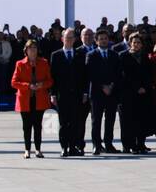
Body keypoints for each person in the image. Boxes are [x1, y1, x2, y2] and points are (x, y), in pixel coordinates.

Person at [49, 28, 88, 157]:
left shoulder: (80, 54)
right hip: (62, 94)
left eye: (72, 38)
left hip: (77, 94)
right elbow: (52, 77)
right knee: (63, 122)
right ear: (62, 39)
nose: (69, 40)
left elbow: (83, 76)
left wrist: (84, 93)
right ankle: (64, 147)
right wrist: (53, 94)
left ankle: (73, 146)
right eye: (67, 37)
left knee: (75, 122)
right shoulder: (56, 55)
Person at [11, 39, 52, 158]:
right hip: (25, 99)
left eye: (34, 48)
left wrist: (41, 85)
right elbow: (14, 82)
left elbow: (50, 81)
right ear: (26, 51)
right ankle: (27, 149)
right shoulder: (20, 64)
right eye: (30, 48)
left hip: (39, 99)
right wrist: (27, 86)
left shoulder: (44, 63)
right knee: (26, 126)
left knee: (38, 125)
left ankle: (38, 149)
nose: (33, 51)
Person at [118, 33, 154, 154]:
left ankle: (140, 144)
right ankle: (128, 145)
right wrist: (136, 87)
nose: (136, 45)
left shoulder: (145, 57)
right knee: (127, 121)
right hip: (128, 93)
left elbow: (149, 74)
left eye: (138, 42)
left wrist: (144, 87)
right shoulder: (123, 56)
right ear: (130, 43)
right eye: (134, 42)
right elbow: (123, 75)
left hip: (143, 94)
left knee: (141, 119)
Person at [86, 30, 120, 154]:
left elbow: (117, 73)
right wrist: (102, 86)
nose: (103, 40)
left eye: (105, 38)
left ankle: (109, 144)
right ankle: (97, 145)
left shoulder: (114, 55)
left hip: (111, 92)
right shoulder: (91, 55)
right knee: (96, 120)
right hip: (97, 92)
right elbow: (91, 74)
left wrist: (110, 86)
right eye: (101, 39)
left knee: (110, 119)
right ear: (96, 41)